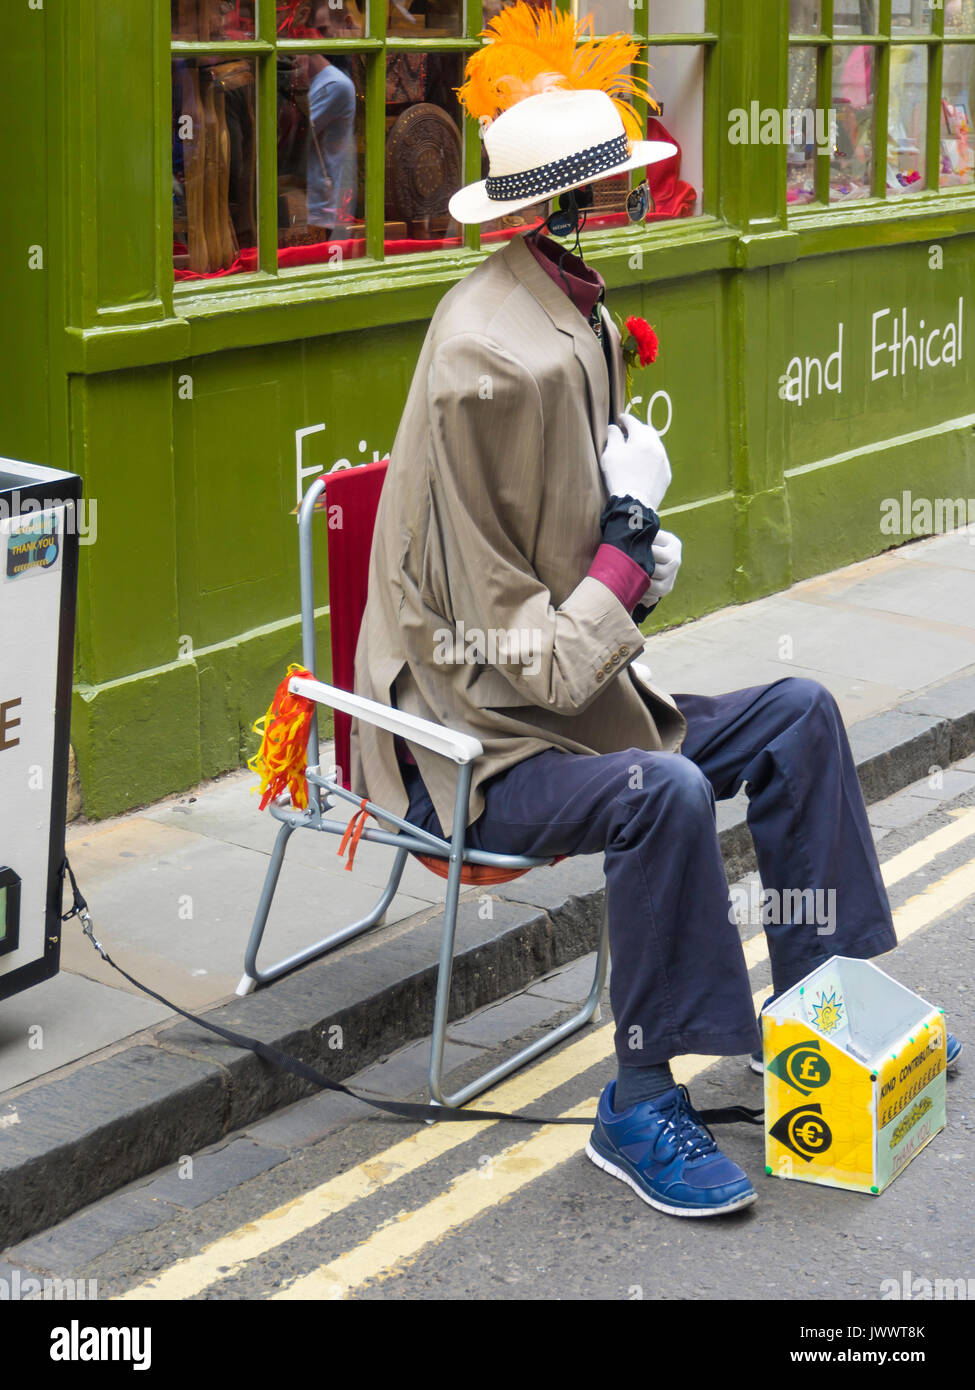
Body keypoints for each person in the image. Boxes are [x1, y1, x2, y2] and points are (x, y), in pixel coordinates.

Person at [350, 4, 959, 1219]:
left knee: (800, 714)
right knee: (663, 790)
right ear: (567, 206)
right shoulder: (489, 360)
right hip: (475, 747)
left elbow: (562, 578)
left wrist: (630, 557)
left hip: (564, 709)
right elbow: (509, 652)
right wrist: (627, 546)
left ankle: (821, 1025)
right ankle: (636, 1103)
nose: (638, 197)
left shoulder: (567, 310)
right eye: (620, 183)